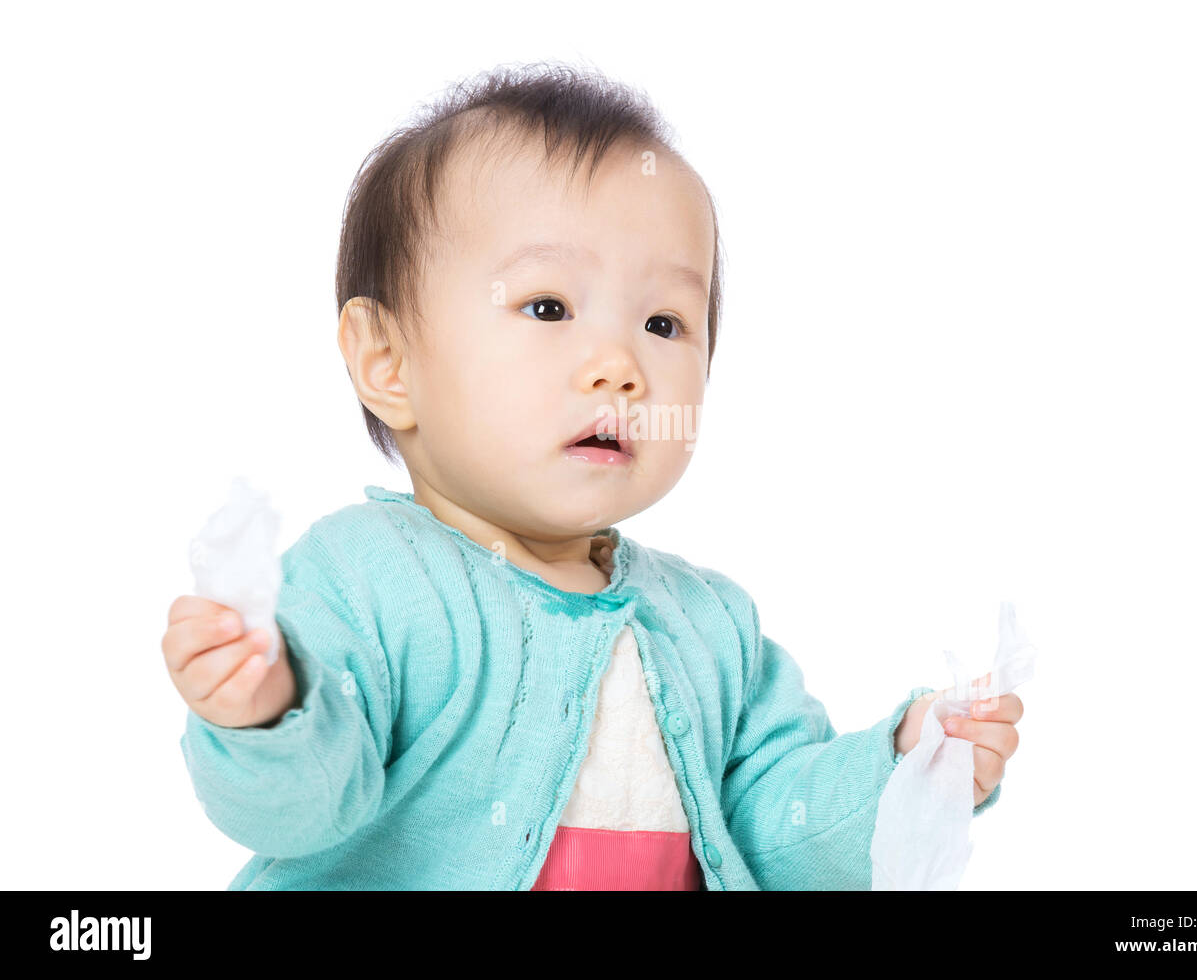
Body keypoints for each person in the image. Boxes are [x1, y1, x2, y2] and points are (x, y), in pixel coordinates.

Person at [162, 62, 1023, 891]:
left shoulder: (713, 628)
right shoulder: (364, 579)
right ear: (388, 361)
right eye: (548, 307)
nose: (618, 364)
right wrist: (268, 712)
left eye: (662, 320)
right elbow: (299, 811)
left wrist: (910, 770)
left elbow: (777, 836)